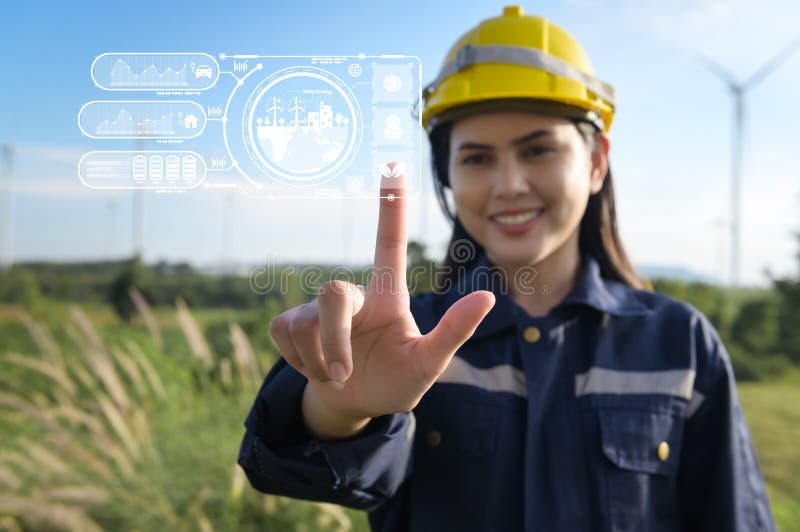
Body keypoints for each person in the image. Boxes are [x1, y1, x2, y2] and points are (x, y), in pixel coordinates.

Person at [238, 5, 776, 531]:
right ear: (447, 175)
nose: (508, 184)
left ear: (595, 162)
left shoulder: (680, 344)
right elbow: (304, 471)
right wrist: (338, 409)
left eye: (538, 150)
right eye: (476, 158)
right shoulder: (408, 339)